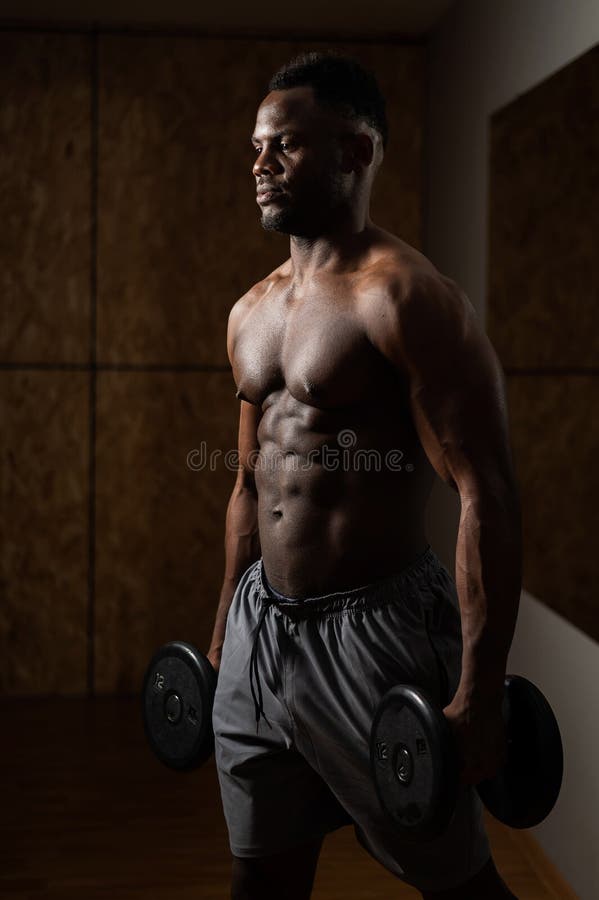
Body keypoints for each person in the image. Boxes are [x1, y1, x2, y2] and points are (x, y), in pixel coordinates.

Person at [208, 51, 522, 900]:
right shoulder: (250, 309)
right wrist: (221, 634)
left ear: (355, 151)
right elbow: (248, 487)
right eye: (256, 147)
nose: (260, 166)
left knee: (460, 885)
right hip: (257, 631)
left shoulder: (407, 299)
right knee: (260, 880)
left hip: (373, 636)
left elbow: (482, 492)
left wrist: (481, 690)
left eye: (286, 146)